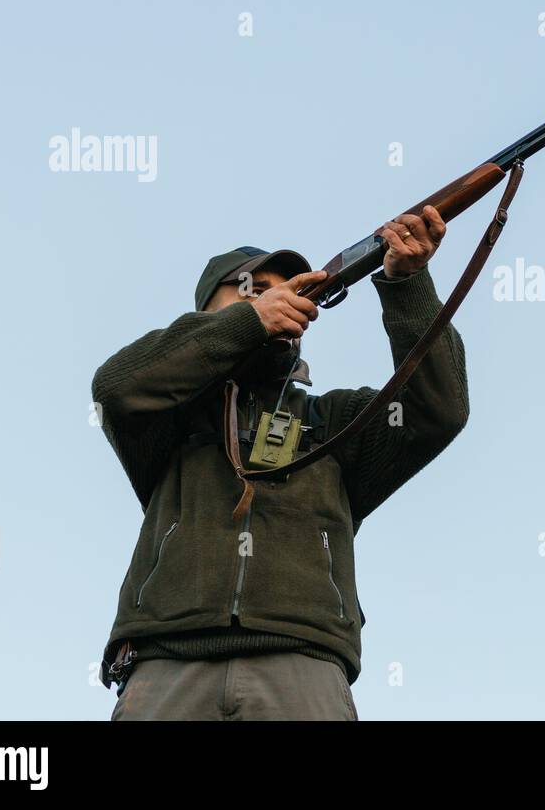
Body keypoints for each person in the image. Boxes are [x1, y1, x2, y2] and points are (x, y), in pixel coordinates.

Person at [93, 206, 468, 720]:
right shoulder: (168, 416)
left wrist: (408, 285)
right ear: (208, 313)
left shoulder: (335, 420)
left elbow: (437, 411)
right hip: (165, 662)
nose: (279, 295)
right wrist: (249, 324)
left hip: (304, 662)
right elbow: (114, 389)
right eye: (251, 288)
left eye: (289, 286)